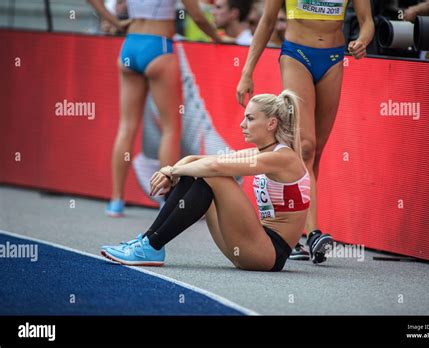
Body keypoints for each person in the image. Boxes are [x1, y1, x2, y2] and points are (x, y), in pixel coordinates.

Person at [101, 90, 309, 272]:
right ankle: (148, 241)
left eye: (250, 119)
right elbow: (200, 160)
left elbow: (215, 168)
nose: (242, 124)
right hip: (248, 247)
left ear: (271, 123)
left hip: (268, 254)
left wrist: (173, 171)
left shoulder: (283, 158)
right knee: (203, 172)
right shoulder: (260, 153)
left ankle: (151, 246)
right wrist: (171, 171)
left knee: (215, 176)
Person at [236, 0, 374, 263]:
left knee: (315, 153)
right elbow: (266, 21)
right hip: (296, 54)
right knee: (305, 147)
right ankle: (313, 234)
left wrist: (362, 41)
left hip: (333, 57)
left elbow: (367, 22)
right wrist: (247, 72)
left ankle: (296, 232)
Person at [87, 0, 222, 217]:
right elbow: (197, 16)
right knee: (170, 128)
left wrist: (113, 21)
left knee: (126, 126)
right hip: (158, 46)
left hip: (130, 45)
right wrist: (218, 38)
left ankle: (115, 201)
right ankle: (166, 201)